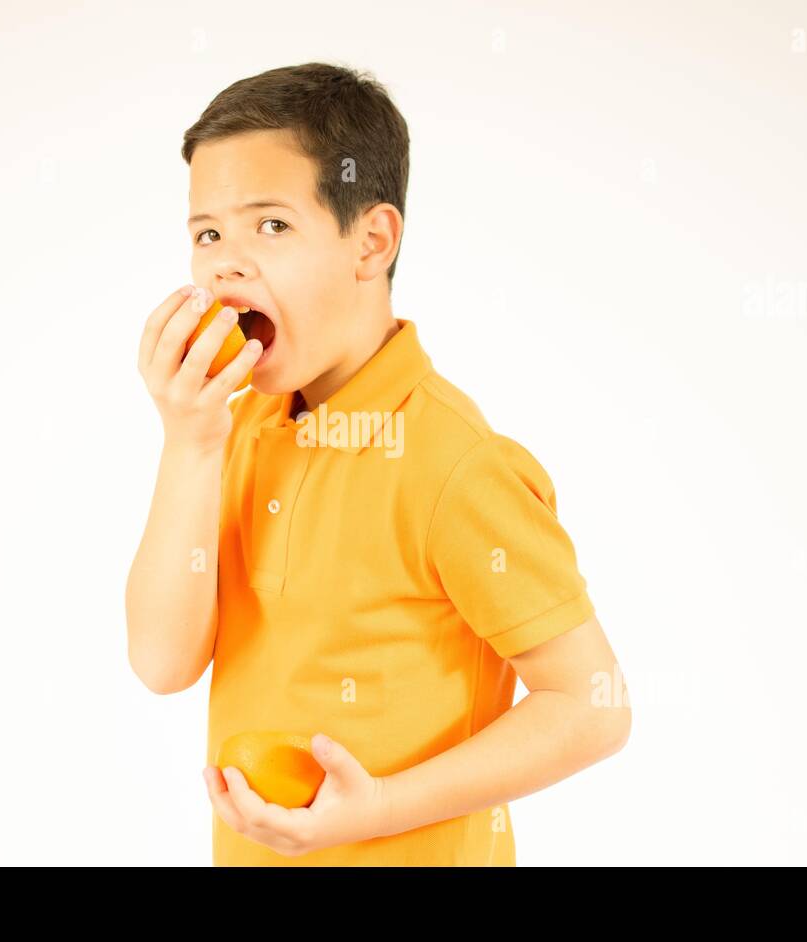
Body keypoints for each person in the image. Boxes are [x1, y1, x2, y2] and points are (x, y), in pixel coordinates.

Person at [127, 62, 631, 865]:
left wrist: (379, 809)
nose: (224, 264)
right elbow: (161, 663)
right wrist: (187, 442)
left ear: (371, 242)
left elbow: (593, 706)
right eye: (207, 233)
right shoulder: (236, 429)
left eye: (272, 226)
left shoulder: (456, 464)